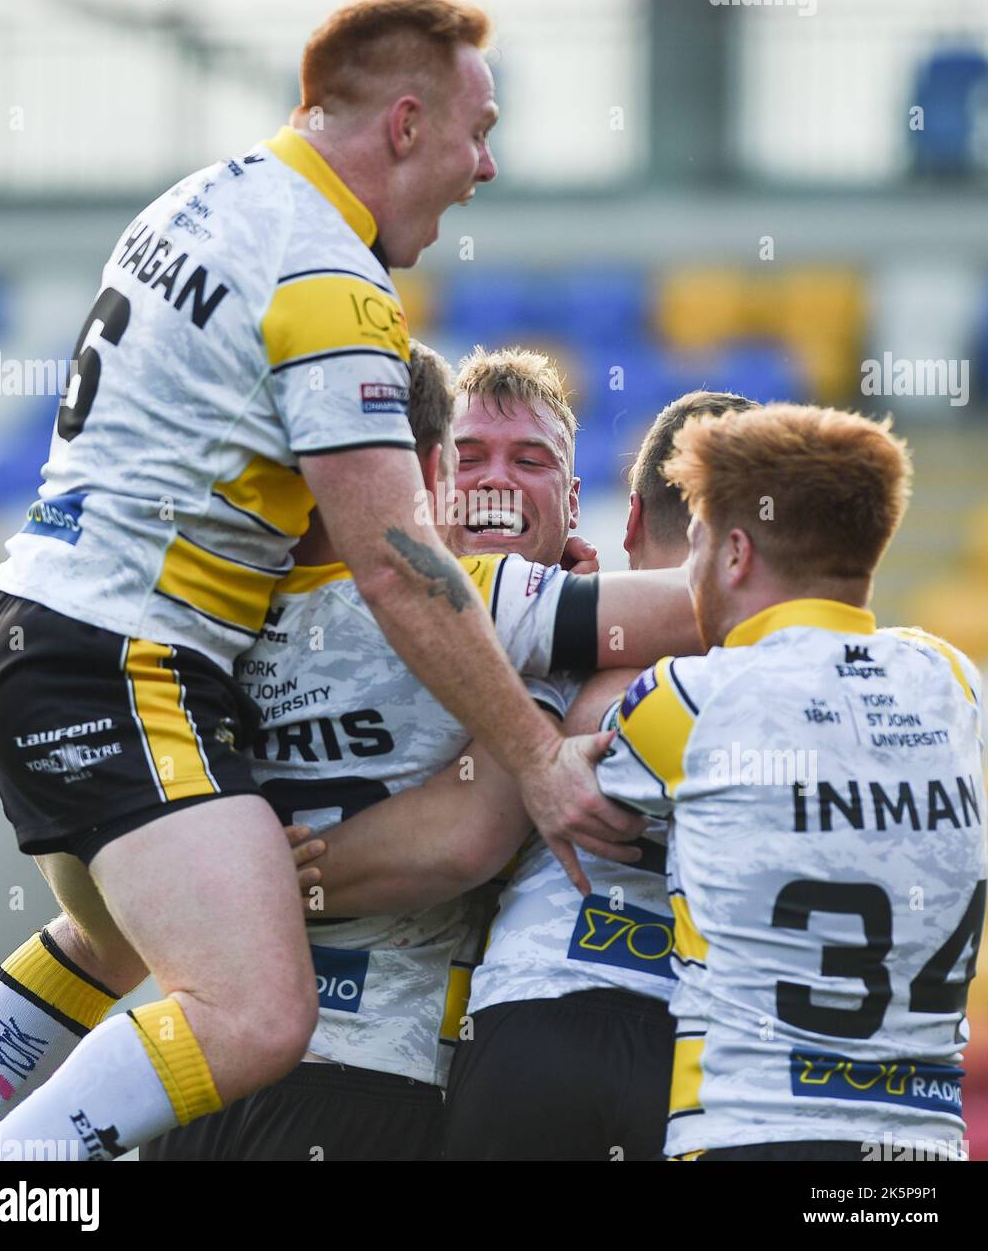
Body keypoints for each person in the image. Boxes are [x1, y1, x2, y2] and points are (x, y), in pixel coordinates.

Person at [0, 0, 631, 1162]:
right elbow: (398, 563)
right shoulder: (329, 278)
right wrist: (531, 756)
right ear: (406, 124)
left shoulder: (205, 198)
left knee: (103, 942)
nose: (487, 165)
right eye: (479, 130)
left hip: (25, 626)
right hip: (120, 657)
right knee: (258, 1013)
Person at [144, 347, 702, 1161]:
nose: (496, 478)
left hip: (267, 1070)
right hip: (334, 1080)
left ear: (574, 503)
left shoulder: (560, 639)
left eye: (531, 459)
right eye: (469, 456)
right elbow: (465, 836)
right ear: (428, 479)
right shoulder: (491, 614)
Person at [569, 403, 985, 1161]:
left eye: (694, 543)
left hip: (749, 1133)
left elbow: (572, 773)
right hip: (921, 1156)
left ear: (734, 553)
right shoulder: (954, 683)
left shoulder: (691, 699)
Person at [443, 389, 757, 1162]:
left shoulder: (531, 630)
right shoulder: (817, 680)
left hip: (527, 1019)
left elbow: (585, 744)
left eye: (528, 459)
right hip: (703, 1059)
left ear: (629, 524)